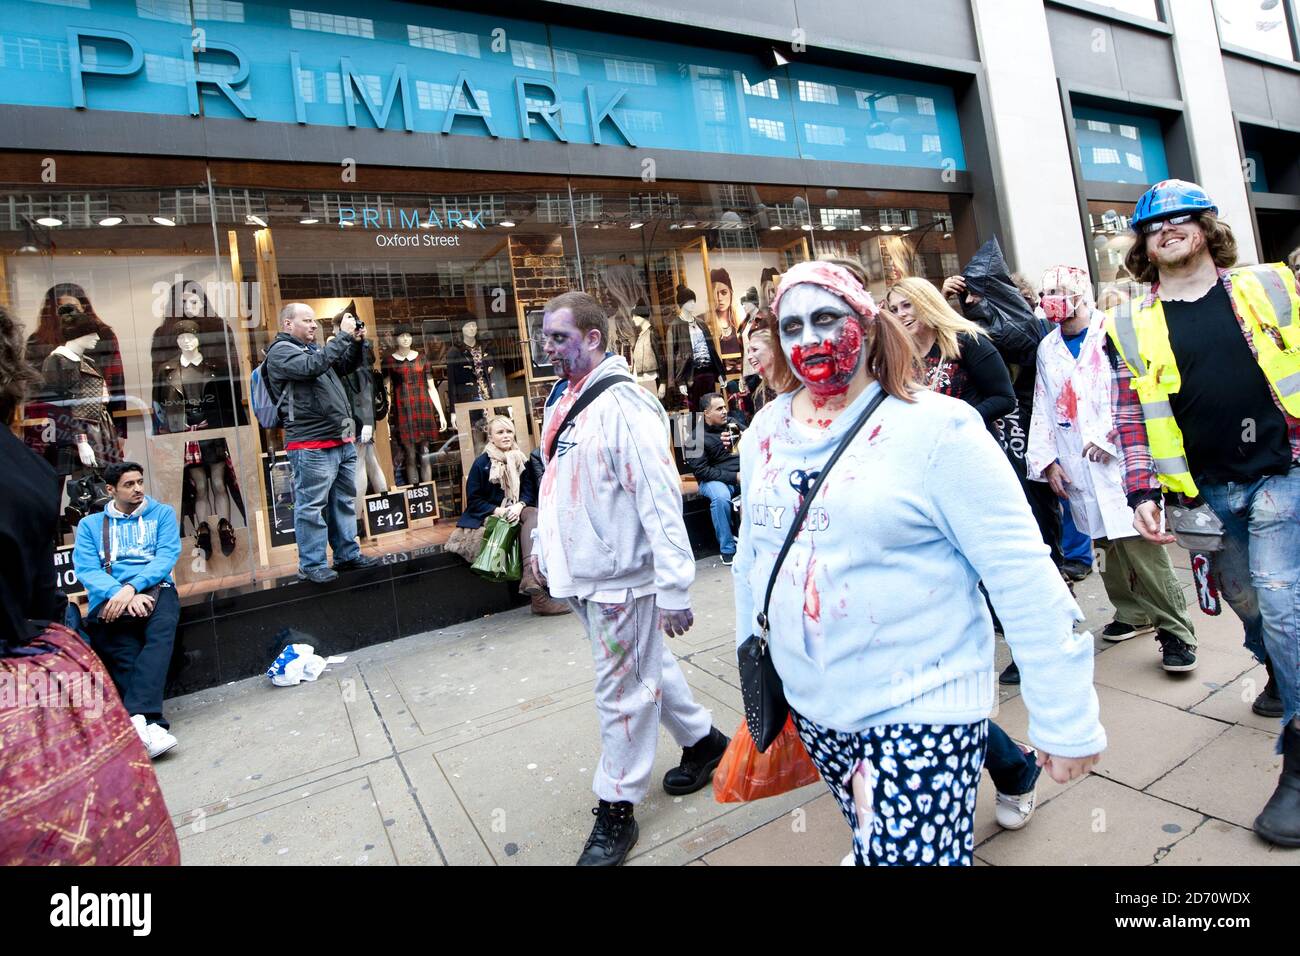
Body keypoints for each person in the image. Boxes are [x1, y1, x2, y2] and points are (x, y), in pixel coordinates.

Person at [735, 257, 1104, 865]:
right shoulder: (767, 432)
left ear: (867, 321)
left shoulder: (938, 428)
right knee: (871, 828)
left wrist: (1065, 716)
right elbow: (755, 555)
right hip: (817, 704)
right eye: (792, 327)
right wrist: (756, 654)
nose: (809, 340)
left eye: (826, 318)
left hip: (923, 702)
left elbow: (1020, 572)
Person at [1106, 179, 1300, 846]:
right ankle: (1277, 663)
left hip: (1283, 475)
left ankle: (1298, 759)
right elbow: (1131, 415)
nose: (1168, 227)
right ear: (1143, 245)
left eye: (1183, 217)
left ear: (1207, 227)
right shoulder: (1129, 323)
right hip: (1205, 495)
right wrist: (1141, 492)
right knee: (1249, 603)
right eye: (1153, 223)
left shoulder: (1268, 286)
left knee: (1281, 602)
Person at [531, 290, 729, 866]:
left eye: (558, 337)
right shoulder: (562, 399)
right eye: (545, 336)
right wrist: (546, 546)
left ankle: (616, 805)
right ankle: (705, 742)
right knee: (646, 667)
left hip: (624, 580)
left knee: (621, 693)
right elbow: (553, 483)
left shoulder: (626, 406)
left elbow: (661, 501)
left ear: (593, 338)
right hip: (587, 578)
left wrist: (672, 588)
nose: (547, 346)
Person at [1028, 264, 1197, 673]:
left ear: (1082, 293)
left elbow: (1137, 389)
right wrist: (1048, 460)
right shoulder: (1047, 347)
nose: (1051, 298)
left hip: (1122, 458)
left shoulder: (1115, 332)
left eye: (1060, 290)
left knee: (1142, 547)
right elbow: (1043, 405)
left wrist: (1107, 435)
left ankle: (1176, 631)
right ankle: (1131, 613)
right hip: (1076, 462)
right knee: (1105, 548)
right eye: (1046, 291)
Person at [884, 277, 1025, 685]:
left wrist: (954, 423)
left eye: (907, 306)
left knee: (993, 560)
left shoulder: (967, 342)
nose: (901, 316)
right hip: (924, 474)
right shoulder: (902, 357)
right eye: (893, 310)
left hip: (973, 464)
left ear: (927, 304)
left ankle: (1027, 643)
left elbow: (1004, 398)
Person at [72, 460, 182, 758]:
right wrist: (116, 593)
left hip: (154, 590)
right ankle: (150, 725)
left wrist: (131, 589)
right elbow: (86, 569)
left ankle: (140, 722)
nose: (137, 489)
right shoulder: (90, 525)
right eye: (129, 484)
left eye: (139, 482)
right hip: (110, 599)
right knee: (124, 651)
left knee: (160, 637)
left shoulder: (161, 514)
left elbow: (166, 556)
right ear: (111, 490)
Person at [264, 302, 380, 583]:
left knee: (342, 500)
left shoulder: (312, 348)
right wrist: (341, 335)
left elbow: (342, 365)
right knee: (312, 505)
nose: (314, 325)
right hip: (310, 442)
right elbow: (312, 368)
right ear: (288, 324)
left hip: (338, 437)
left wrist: (354, 343)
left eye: (314, 321)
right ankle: (312, 564)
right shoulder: (281, 352)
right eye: (307, 321)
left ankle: (347, 555)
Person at [448, 415, 569, 616]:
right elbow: (474, 500)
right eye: (500, 432)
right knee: (526, 529)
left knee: (535, 516)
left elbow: (529, 492)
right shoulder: (482, 463)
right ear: (491, 437)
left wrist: (519, 506)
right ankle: (538, 598)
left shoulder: (521, 459)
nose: (505, 436)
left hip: (517, 509)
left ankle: (531, 576)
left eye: (509, 432)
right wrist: (501, 510)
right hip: (492, 513)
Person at [685, 393, 743, 566]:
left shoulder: (732, 424)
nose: (725, 411)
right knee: (721, 497)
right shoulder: (695, 438)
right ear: (706, 414)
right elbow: (701, 471)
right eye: (719, 409)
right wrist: (734, 477)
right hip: (712, 481)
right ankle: (728, 549)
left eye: (724, 407)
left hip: (740, 475)